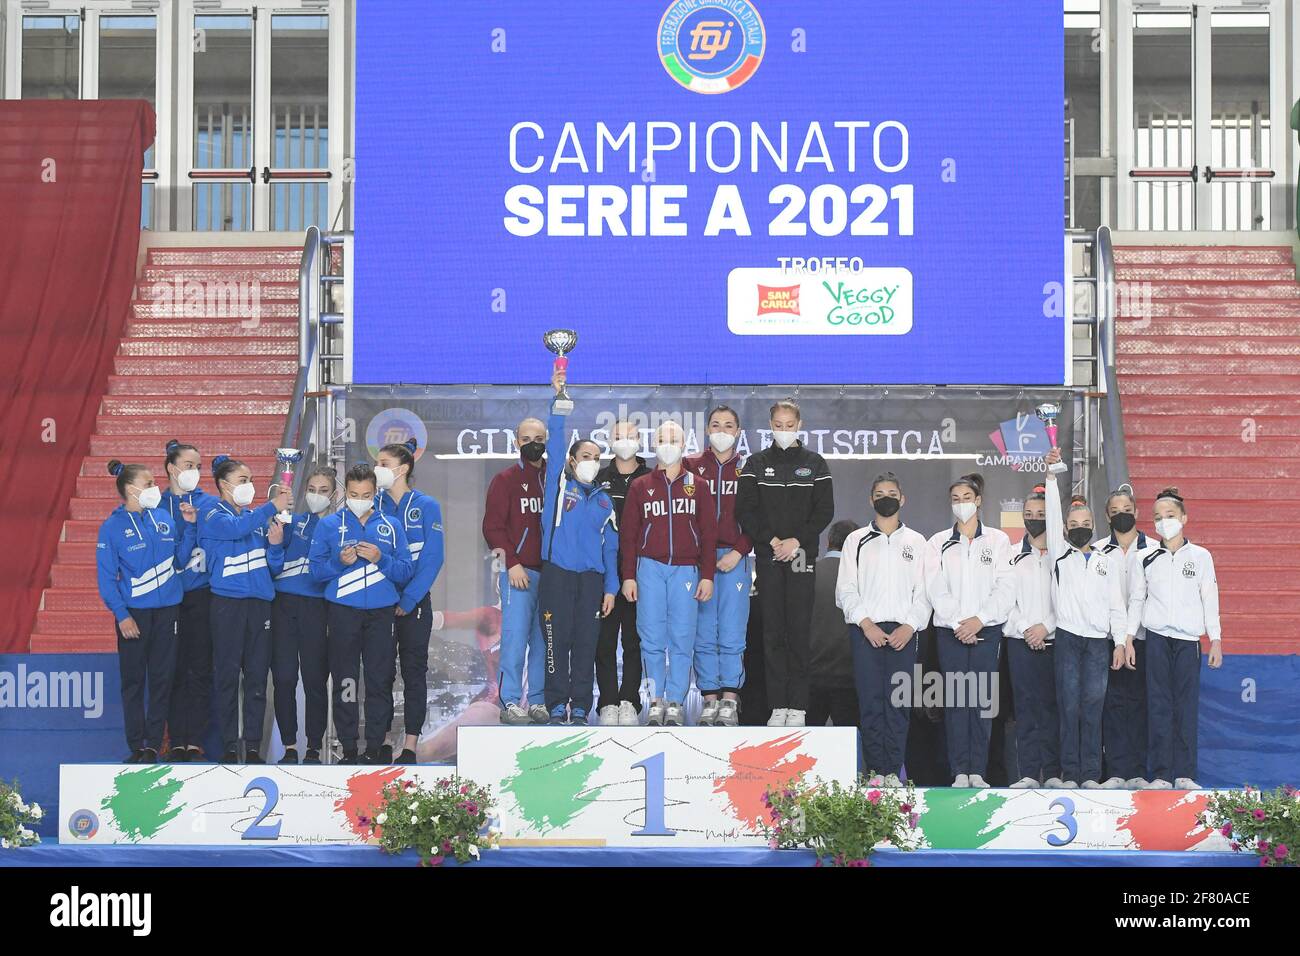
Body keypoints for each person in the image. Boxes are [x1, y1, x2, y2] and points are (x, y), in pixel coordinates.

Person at [735, 399, 834, 728]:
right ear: (770, 425)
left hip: (801, 554)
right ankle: (778, 705)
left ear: (800, 425)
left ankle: (799, 706)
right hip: (769, 556)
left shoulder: (815, 464)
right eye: (778, 425)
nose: (784, 431)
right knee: (773, 631)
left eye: (789, 426)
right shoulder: (755, 463)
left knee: (798, 630)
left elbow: (824, 511)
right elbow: (746, 510)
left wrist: (796, 541)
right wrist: (772, 541)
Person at [310, 463, 414, 764]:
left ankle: (374, 749)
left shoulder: (391, 525)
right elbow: (315, 572)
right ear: (345, 492)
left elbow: (406, 571)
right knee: (345, 680)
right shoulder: (329, 525)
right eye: (354, 494)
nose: (359, 499)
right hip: (342, 612)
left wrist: (381, 559)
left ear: (374, 492)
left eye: (366, 494)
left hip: (381, 613)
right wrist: (339, 563)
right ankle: (348, 748)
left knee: (379, 679)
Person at [96, 460, 197, 763]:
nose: (156, 487)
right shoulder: (112, 527)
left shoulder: (163, 518)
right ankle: (136, 746)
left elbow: (179, 560)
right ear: (131, 489)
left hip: (168, 612)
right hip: (134, 616)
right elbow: (106, 577)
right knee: (134, 682)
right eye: (149, 483)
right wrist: (122, 615)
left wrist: (190, 528)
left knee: (163, 679)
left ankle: (154, 744)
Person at [836, 475, 934, 785]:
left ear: (902, 499)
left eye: (892, 493)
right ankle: (875, 773)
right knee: (871, 704)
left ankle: (893, 771)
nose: (886, 498)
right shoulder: (856, 540)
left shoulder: (918, 542)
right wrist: (866, 624)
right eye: (879, 493)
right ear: (871, 500)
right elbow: (846, 590)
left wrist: (910, 626)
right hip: (867, 632)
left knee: (898, 706)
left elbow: (926, 592)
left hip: (905, 633)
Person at [1125, 486, 1223, 789]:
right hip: (1155, 639)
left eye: (1169, 515)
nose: (1163, 522)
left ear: (1184, 517)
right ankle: (1161, 774)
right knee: (1158, 705)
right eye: (1157, 517)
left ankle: (1185, 774)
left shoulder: (1201, 556)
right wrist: (1128, 638)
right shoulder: (1144, 557)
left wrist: (1215, 639)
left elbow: (1210, 597)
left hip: (1187, 641)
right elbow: (1137, 599)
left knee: (1185, 706)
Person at [621, 419, 716, 726]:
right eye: (662, 439)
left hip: (686, 569)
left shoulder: (698, 486)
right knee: (650, 637)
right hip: (649, 568)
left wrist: (708, 575)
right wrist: (628, 576)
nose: (668, 445)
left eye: (674, 439)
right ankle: (655, 700)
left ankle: (674, 700)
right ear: (654, 444)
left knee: (682, 637)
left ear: (684, 443)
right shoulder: (641, 486)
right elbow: (629, 536)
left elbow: (709, 534)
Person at [538, 369, 620, 726]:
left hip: (591, 581)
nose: (592, 460)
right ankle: (557, 705)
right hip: (557, 576)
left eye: (597, 456)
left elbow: (611, 549)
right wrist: (559, 402)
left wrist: (611, 588)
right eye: (585, 455)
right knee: (557, 644)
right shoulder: (559, 486)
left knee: (587, 646)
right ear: (572, 461)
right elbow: (554, 444)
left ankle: (582, 707)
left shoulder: (604, 501)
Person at [1044, 451, 1127, 789]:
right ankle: (1070, 774)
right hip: (1066, 639)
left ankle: (1090, 774)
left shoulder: (1107, 560)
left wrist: (1119, 641)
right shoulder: (1059, 555)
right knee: (1069, 708)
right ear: (1065, 529)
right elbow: (1050, 516)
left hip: (1097, 644)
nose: (1080, 529)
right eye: (1073, 525)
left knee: (1093, 709)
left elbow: (1116, 604)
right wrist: (1051, 476)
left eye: (1085, 524)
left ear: (1095, 526)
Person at [926, 472, 1014, 788]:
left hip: (986, 632)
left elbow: (1005, 587)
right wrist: (959, 623)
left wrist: (979, 619)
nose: (961, 504)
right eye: (956, 499)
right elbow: (935, 588)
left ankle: (977, 770)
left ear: (978, 501)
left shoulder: (999, 540)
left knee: (979, 702)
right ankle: (958, 771)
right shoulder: (938, 542)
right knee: (955, 702)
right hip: (950, 632)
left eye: (966, 498)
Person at [201, 455, 290, 764]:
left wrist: (276, 545)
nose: (250, 486)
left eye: (251, 480)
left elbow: (274, 568)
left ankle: (252, 745)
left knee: (255, 677)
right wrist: (271, 506)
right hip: (227, 605)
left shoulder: (256, 521)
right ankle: (228, 744)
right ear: (224, 485)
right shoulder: (212, 513)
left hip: (260, 606)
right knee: (226, 675)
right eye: (243, 480)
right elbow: (234, 529)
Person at [375, 439, 445, 763]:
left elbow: (432, 558)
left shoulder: (426, 505)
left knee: (414, 672)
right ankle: (384, 741)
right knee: (381, 673)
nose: (378, 470)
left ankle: (410, 747)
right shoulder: (374, 506)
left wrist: (410, 598)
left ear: (402, 469)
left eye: (384, 464)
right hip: (380, 604)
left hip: (415, 603)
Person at [684, 405, 752, 726]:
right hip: (700, 561)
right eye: (715, 424)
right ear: (706, 431)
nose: (721, 430)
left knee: (732, 630)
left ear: (738, 432)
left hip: (735, 559)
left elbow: (759, 517)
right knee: (703, 630)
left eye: (728, 425)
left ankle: (729, 699)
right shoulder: (690, 467)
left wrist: (739, 551)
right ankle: (709, 700)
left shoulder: (749, 469)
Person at [266, 466, 336, 765]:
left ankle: (314, 749)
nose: (316, 496)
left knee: (314, 680)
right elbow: (273, 565)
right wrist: (275, 544)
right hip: (282, 605)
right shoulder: (292, 522)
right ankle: (289, 746)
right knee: (283, 678)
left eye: (323, 491)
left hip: (317, 609)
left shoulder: (338, 527)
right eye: (312, 490)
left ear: (333, 495)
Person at [482, 415, 548, 725]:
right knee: (515, 638)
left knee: (543, 641)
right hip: (520, 573)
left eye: (538, 439)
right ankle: (509, 701)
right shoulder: (505, 480)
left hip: (552, 575)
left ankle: (537, 700)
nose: (532, 445)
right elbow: (492, 528)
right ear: (516, 441)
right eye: (526, 439)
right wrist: (513, 563)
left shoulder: (556, 479)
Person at [158, 439, 214, 761]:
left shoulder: (207, 504)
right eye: (188, 465)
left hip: (200, 594)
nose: (194, 471)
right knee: (173, 669)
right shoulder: (156, 506)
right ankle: (175, 738)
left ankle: (195, 739)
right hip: (166, 598)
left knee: (200, 668)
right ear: (171, 468)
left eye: (198, 466)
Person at [1002, 483, 1062, 789]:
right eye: (1028, 514)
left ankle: (1053, 773)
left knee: (1052, 709)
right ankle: (1027, 773)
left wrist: (1046, 627)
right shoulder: (1010, 556)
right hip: (1020, 642)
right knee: (1025, 708)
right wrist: (1028, 629)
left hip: (1055, 643)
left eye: (1040, 513)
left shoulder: (1062, 556)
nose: (1033, 518)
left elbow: (1069, 600)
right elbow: (1004, 601)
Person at [594, 420, 650, 726]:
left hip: (641, 573)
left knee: (634, 640)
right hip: (604, 573)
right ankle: (607, 702)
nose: (624, 441)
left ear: (640, 440)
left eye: (630, 436)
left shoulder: (651, 478)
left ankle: (630, 700)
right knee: (603, 641)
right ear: (609, 440)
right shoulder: (598, 479)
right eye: (618, 436)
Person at [1097, 486, 1153, 788]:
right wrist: (1119, 639)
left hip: (1144, 640)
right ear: (1107, 515)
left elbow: (1146, 598)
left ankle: (1139, 772)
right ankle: (1117, 771)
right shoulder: (1096, 551)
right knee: (1113, 705)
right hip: (1110, 641)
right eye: (1115, 511)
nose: (1122, 515)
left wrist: (1131, 636)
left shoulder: (1154, 548)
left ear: (1137, 512)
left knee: (1141, 704)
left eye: (1127, 510)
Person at [810, 520, 860, 731]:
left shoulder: (808, 574)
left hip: (810, 676)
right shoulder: (864, 578)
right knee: (854, 751)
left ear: (828, 541)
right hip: (851, 677)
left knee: (803, 749)